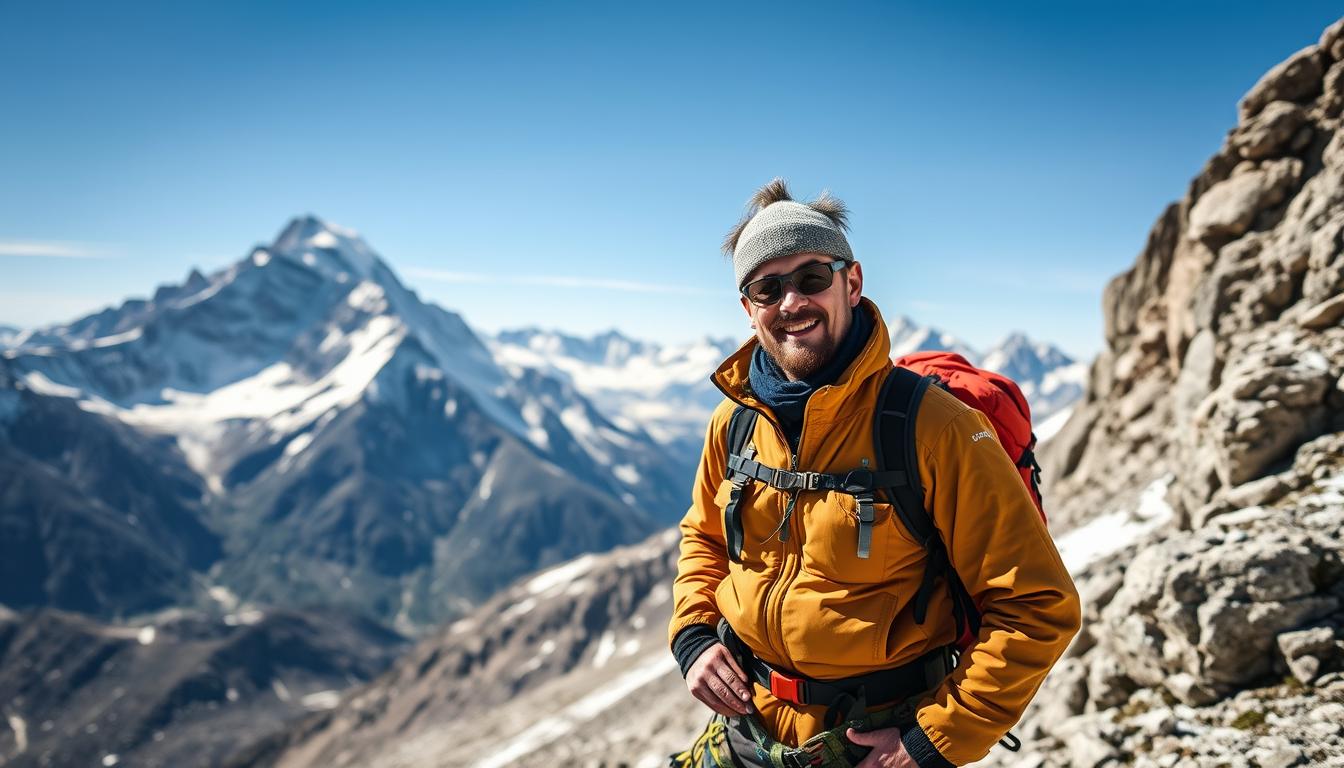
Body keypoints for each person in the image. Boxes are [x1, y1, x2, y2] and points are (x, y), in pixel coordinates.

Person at [668, 179, 1082, 767]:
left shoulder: (933, 427)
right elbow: (705, 537)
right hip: (750, 723)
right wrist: (693, 636)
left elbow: (1039, 606)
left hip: (872, 741)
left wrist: (927, 743)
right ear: (747, 307)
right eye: (767, 287)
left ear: (852, 282)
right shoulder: (733, 421)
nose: (791, 303)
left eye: (812, 277)